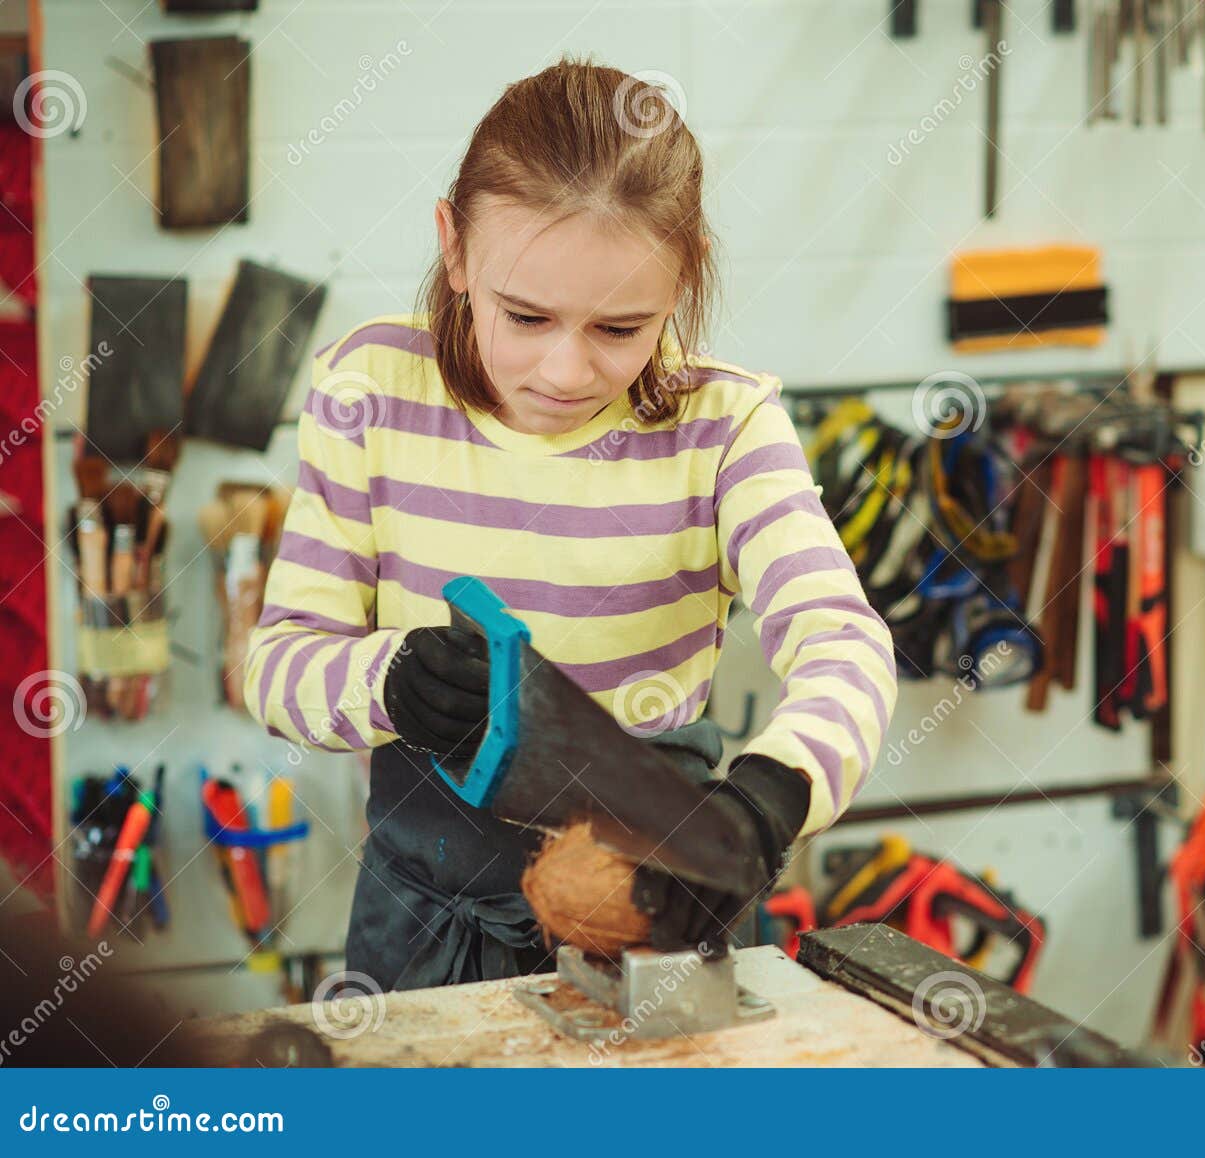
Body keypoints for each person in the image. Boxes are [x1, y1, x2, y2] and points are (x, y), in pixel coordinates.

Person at [243, 56, 898, 991]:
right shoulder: (370, 389)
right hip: (424, 926)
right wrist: (388, 681)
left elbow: (846, 645)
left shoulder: (726, 429)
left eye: (619, 329)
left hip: (658, 908)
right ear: (455, 249)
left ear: (684, 282)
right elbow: (277, 667)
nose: (564, 371)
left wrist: (769, 798)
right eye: (526, 315)